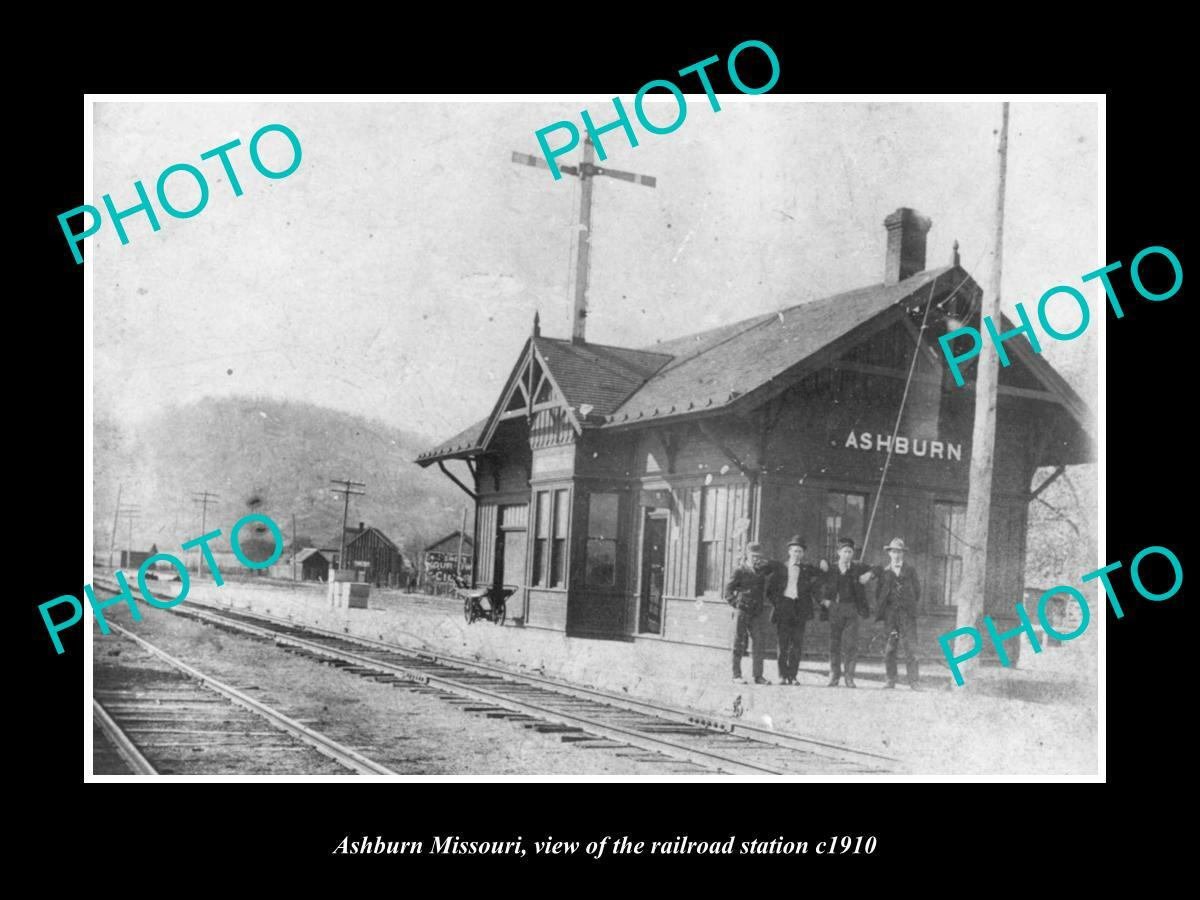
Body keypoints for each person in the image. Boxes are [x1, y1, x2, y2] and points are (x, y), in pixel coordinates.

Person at [867, 538, 922, 690]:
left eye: (899, 552)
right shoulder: (885, 573)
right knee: (890, 648)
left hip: (907, 615)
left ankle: (914, 681)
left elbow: (917, 592)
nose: (896, 555)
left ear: (903, 554)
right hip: (891, 616)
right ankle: (891, 680)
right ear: (889, 553)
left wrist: (907, 605)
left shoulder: (910, 571)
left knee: (911, 647)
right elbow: (879, 594)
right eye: (893, 552)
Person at [818, 537, 873, 688]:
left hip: (852, 610)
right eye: (845, 551)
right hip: (834, 609)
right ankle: (834, 676)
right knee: (834, 644)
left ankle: (849, 677)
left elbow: (878, 569)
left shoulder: (857, 568)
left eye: (850, 552)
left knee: (850, 645)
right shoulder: (831, 568)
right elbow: (817, 583)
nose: (847, 555)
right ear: (838, 553)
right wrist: (823, 600)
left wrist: (869, 575)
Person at [771, 536, 824, 684]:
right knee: (782, 643)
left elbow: (822, 574)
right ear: (789, 551)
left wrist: (823, 562)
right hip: (784, 608)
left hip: (800, 609)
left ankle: (793, 676)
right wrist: (778, 603)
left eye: (800, 551)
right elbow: (771, 589)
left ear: (803, 554)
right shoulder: (781, 567)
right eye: (795, 551)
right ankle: (782, 675)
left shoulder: (807, 569)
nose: (797, 554)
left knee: (796, 644)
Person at [725, 542, 775, 685]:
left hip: (756, 612)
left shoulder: (761, 570)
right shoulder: (739, 570)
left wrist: (766, 562)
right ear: (747, 555)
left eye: (758, 556)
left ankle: (758, 676)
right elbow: (728, 591)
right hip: (742, 610)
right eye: (753, 556)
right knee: (738, 642)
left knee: (759, 643)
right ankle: (736, 675)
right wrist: (736, 604)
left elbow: (774, 566)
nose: (755, 559)